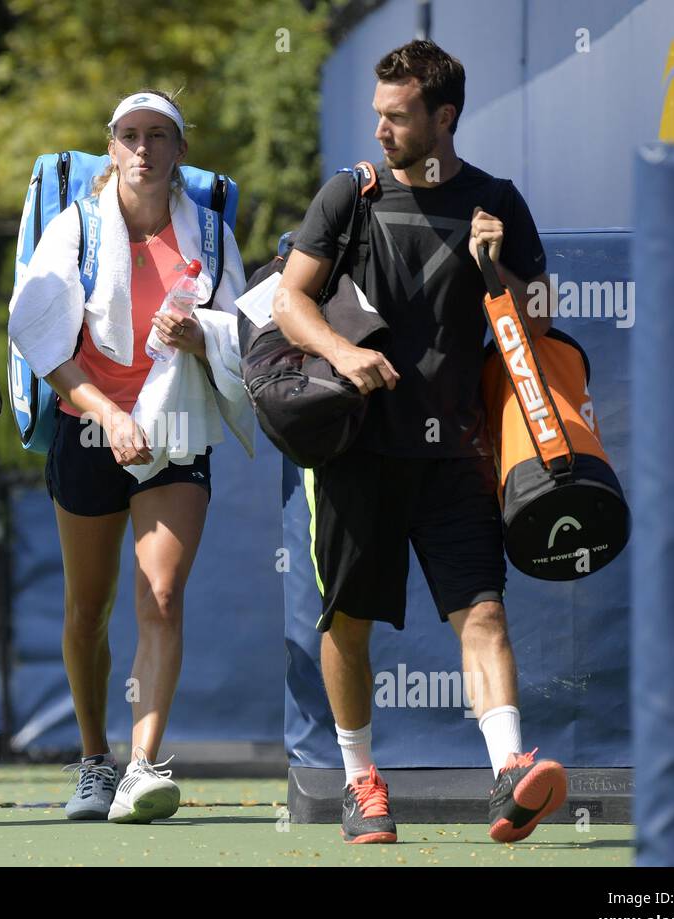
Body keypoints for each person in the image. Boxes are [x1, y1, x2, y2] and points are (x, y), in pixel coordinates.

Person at [273, 39, 565, 845]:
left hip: (456, 458)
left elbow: (536, 321)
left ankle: (510, 773)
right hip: (357, 453)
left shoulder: (497, 202)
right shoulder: (349, 196)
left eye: (398, 118)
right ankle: (361, 780)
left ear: (444, 116)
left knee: (485, 614)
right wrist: (341, 352)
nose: (382, 130)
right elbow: (291, 301)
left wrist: (495, 267)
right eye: (377, 115)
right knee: (350, 627)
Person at [8, 89, 251, 823]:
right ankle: (94, 761)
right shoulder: (73, 226)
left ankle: (144, 766)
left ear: (180, 151)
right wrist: (109, 414)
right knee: (88, 608)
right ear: (111, 148)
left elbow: (242, 330)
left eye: (158, 136)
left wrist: (202, 337)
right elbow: (40, 340)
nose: (143, 149)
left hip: (175, 428)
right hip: (91, 426)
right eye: (129, 136)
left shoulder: (209, 234)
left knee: (163, 596)